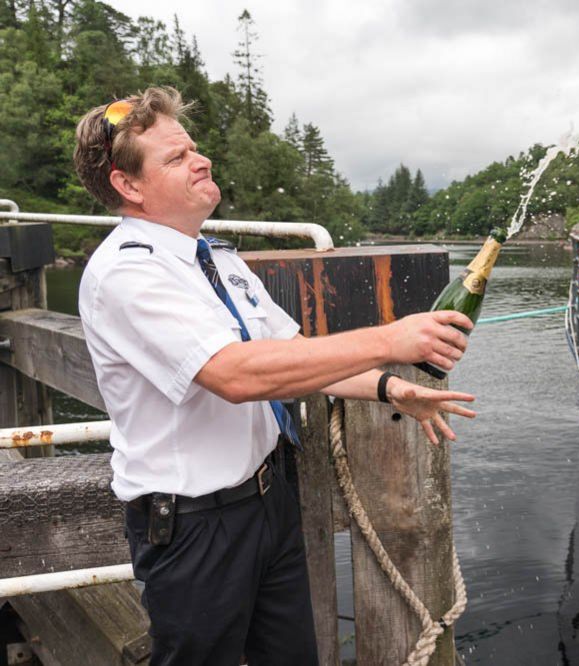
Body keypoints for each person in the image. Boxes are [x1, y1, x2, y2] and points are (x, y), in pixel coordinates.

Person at [73, 87, 476, 666]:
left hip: (268, 501)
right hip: (192, 527)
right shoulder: (126, 273)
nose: (201, 160)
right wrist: (392, 339)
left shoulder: (218, 259)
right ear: (128, 186)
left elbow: (293, 352)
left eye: (194, 148)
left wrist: (390, 386)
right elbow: (235, 375)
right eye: (176, 157)